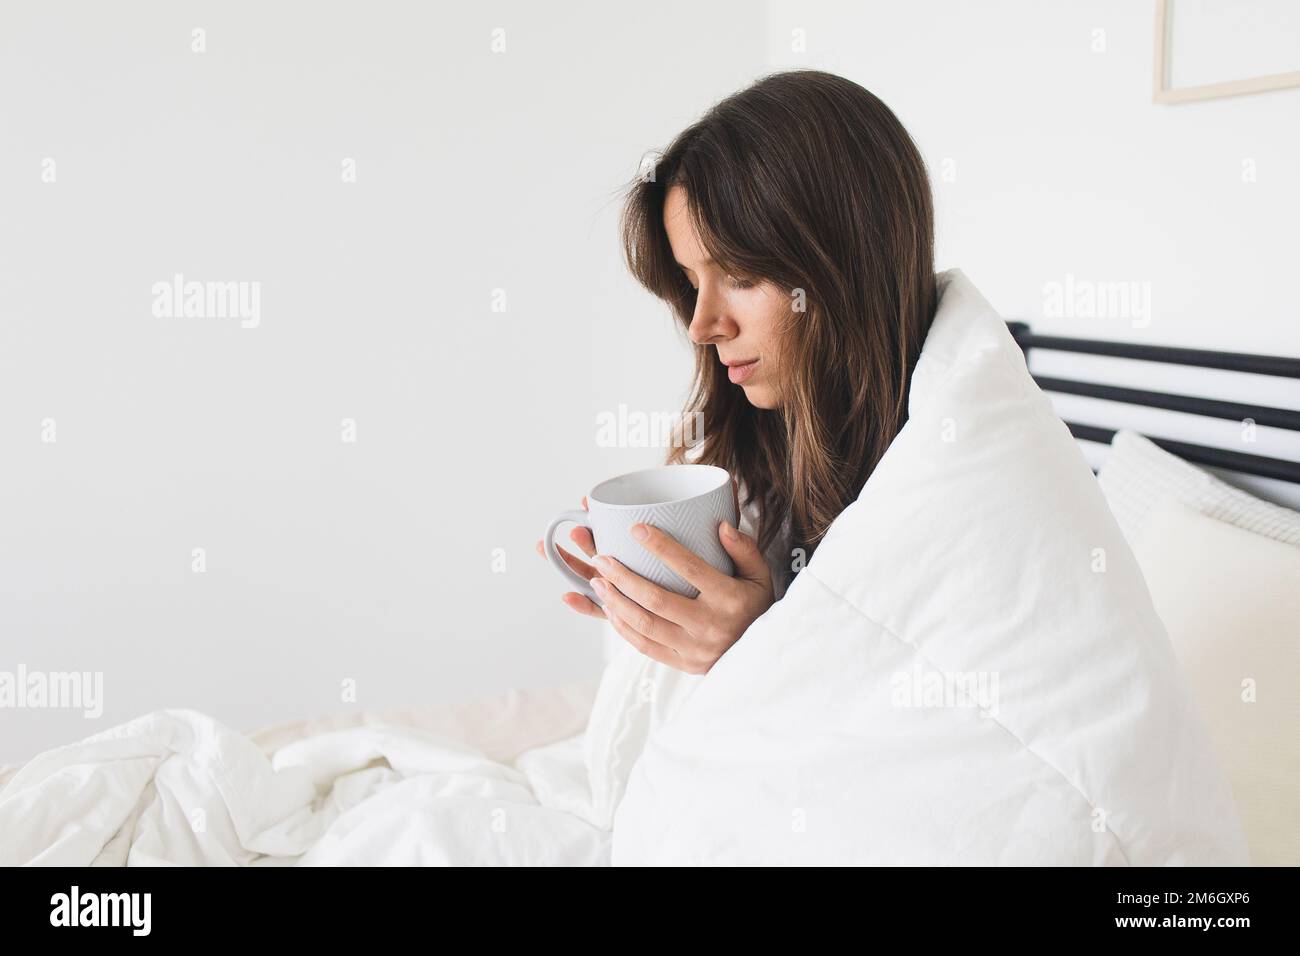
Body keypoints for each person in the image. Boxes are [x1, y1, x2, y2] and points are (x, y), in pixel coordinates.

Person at [536, 69, 938, 675]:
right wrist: (662, 610)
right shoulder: (763, 457)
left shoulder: (958, 478)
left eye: (741, 276)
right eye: (693, 282)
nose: (701, 326)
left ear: (851, 265)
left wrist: (760, 654)